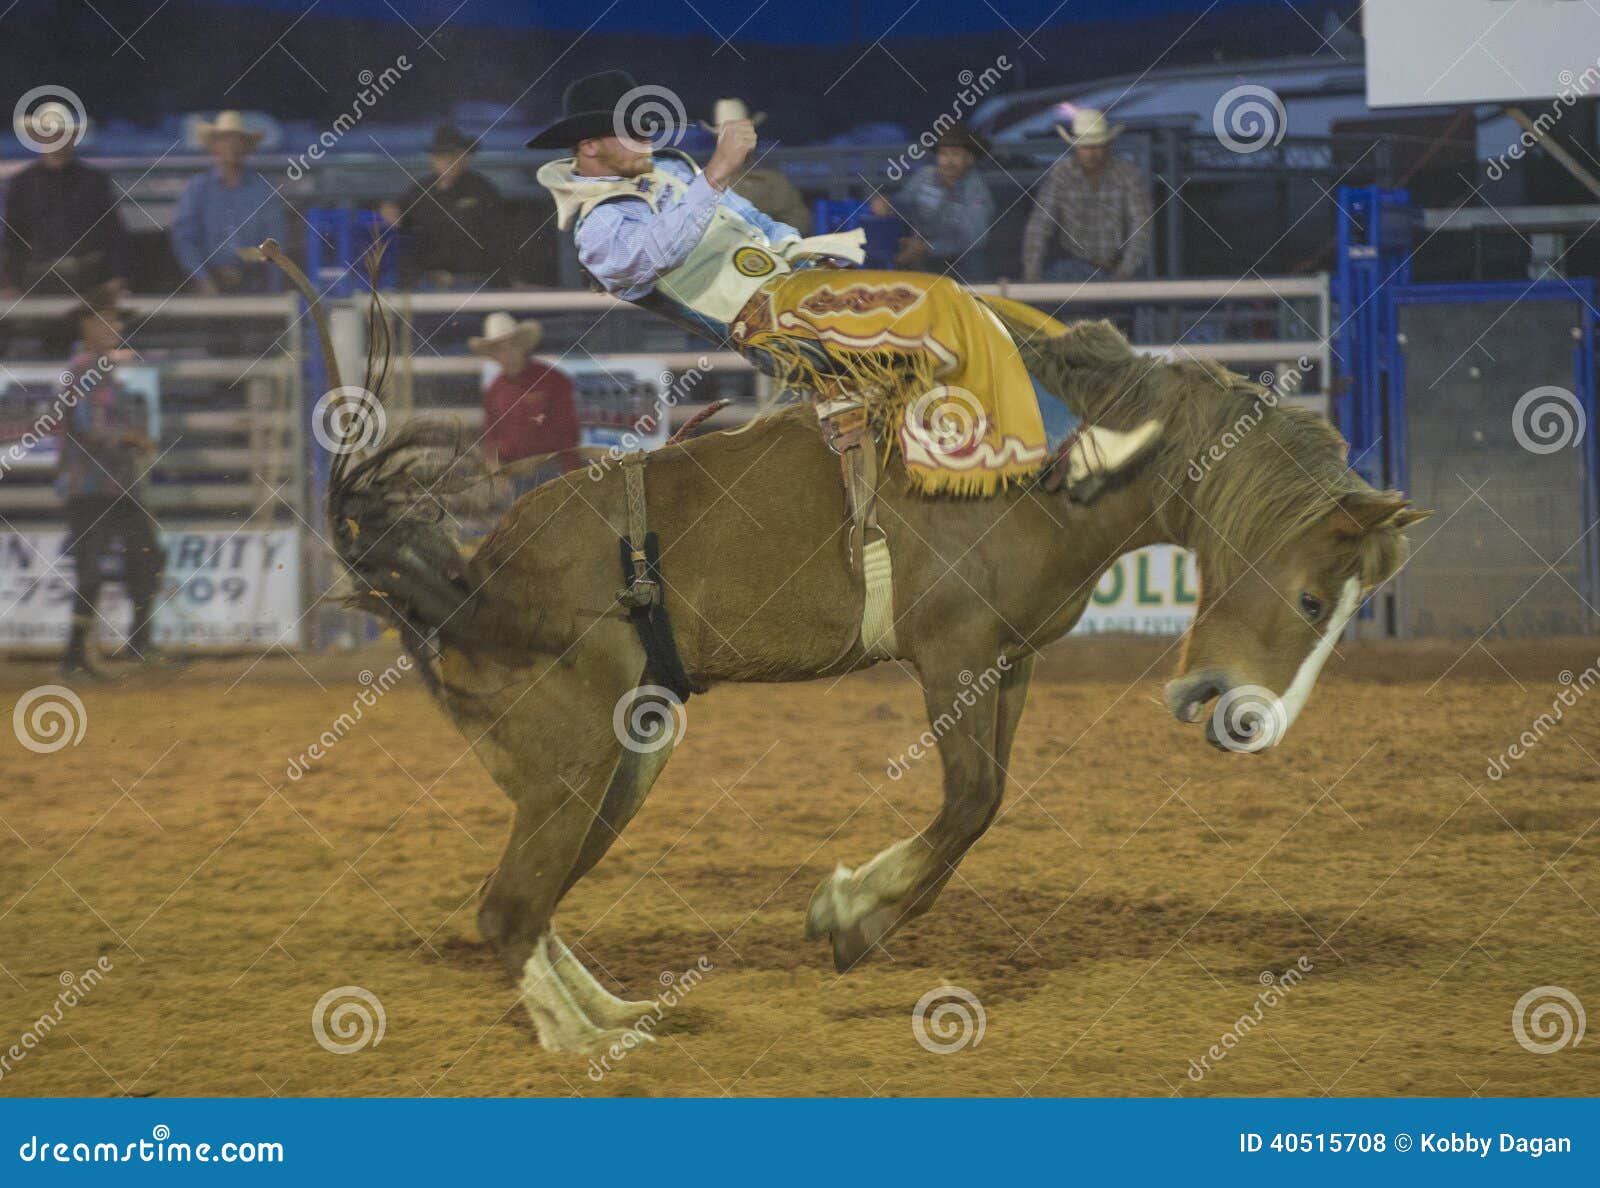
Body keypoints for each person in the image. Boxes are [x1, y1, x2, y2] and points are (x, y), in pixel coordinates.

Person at [529, 71, 1158, 499]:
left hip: (801, 292)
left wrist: (802, 251)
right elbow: (650, 257)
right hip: (769, 320)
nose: (646, 136)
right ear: (590, 146)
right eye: (627, 129)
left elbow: (755, 224)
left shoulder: (668, 172)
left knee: (980, 309)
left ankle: (1055, 430)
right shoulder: (600, 225)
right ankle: (1068, 448)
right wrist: (718, 172)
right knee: (937, 301)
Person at [55, 287, 168, 678]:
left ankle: (136, 644)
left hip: (112, 485)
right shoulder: (86, 369)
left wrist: (129, 434)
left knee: (144, 556)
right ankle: (76, 657)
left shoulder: (97, 369)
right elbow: (90, 429)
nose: (116, 326)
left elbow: (96, 426)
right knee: (96, 570)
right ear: (87, 324)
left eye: (117, 320)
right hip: (92, 488)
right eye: (107, 319)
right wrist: (131, 437)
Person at [1, 108, 127, 297]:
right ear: (38, 137)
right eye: (48, 133)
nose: (55, 139)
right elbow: (12, 237)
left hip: (89, 279)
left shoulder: (95, 181)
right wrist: (9, 284)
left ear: (72, 137)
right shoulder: (21, 183)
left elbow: (113, 232)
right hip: (35, 281)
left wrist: (118, 276)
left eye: (61, 133)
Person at [1021, 108, 1153, 283]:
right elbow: (1040, 225)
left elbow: (1141, 227)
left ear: (1108, 145)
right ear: (1076, 147)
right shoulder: (1060, 175)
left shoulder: (1128, 175)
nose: (1091, 153)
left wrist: (1124, 271)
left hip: (1119, 266)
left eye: (1097, 146)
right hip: (1072, 267)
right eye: (1085, 146)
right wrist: (1032, 272)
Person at [171, 111, 286, 293]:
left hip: (253, 286)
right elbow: (184, 239)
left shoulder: (264, 190)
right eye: (224, 140)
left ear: (246, 147)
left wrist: (274, 292)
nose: (231, 146)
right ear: (214, 147)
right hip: (207, 282)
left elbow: (275, 245)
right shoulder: (197, 189)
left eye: (237, 140)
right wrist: (201, 278)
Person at [380, 124, 505, 288]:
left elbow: (497, 239)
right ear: (431, 159)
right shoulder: (421, 189)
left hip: (471, 280)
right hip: (426, 279)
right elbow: (397, 213)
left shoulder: (482, 190)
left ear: (465, 157)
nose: (447, 160)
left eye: (453, 154)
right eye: (440, 155)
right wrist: (390, 210)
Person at [470, 311, 580, 485]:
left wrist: (568, 473)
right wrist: (495, 471)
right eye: (499, 348)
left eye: (512, 344)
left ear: (522, 345)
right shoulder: (494, 392)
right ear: (493, 354)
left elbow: (568, 433)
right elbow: (491, 440)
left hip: (552, 470)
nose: (507, 352)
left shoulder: (554, 381)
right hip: (512, 474)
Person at [891, 125, 996, 281]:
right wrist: (888, 204)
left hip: (963, 267)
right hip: (923, 260)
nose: (949, 161)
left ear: (970, 159)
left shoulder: (977, 192)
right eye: (943, 154)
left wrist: (927, 248)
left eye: (956, 154)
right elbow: (903, 204)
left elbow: (972, 241)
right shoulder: (924, 176)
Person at [699, 99, 811, 234]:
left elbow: (798, 222)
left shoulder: (771, 180)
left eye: (742, 135)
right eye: (729, 137)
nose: (737, 142)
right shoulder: (702, 180)